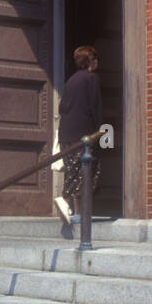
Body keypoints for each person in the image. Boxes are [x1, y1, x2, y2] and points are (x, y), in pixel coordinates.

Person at [55, 44, 102, 226]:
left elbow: (62, 108)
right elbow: (96, 107)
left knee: (73, 172)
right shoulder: (91, 79)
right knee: (86, 173)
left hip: (66, 134)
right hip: (84, 134)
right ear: (91, 60)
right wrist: (103, 135)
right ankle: (65, 200)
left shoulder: (71, 80)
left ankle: (77, 214)